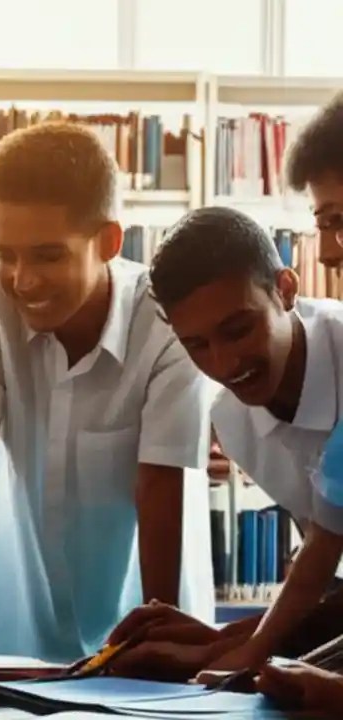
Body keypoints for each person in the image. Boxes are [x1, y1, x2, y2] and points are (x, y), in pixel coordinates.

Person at [0, 122, 214, 707]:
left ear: (109, 241)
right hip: (15, 602)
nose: (22, 280)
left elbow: (159, 484)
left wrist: (159, 635)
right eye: (4, 254)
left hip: (145, 596)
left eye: (48, 255)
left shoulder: (165, 315)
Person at [103, 94, 343, 686]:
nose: (226, 362)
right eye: (197, 346)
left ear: (286, 290)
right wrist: (227, 642)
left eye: (239, 330)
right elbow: (324, 556)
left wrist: (252, 650)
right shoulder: (232, 417)